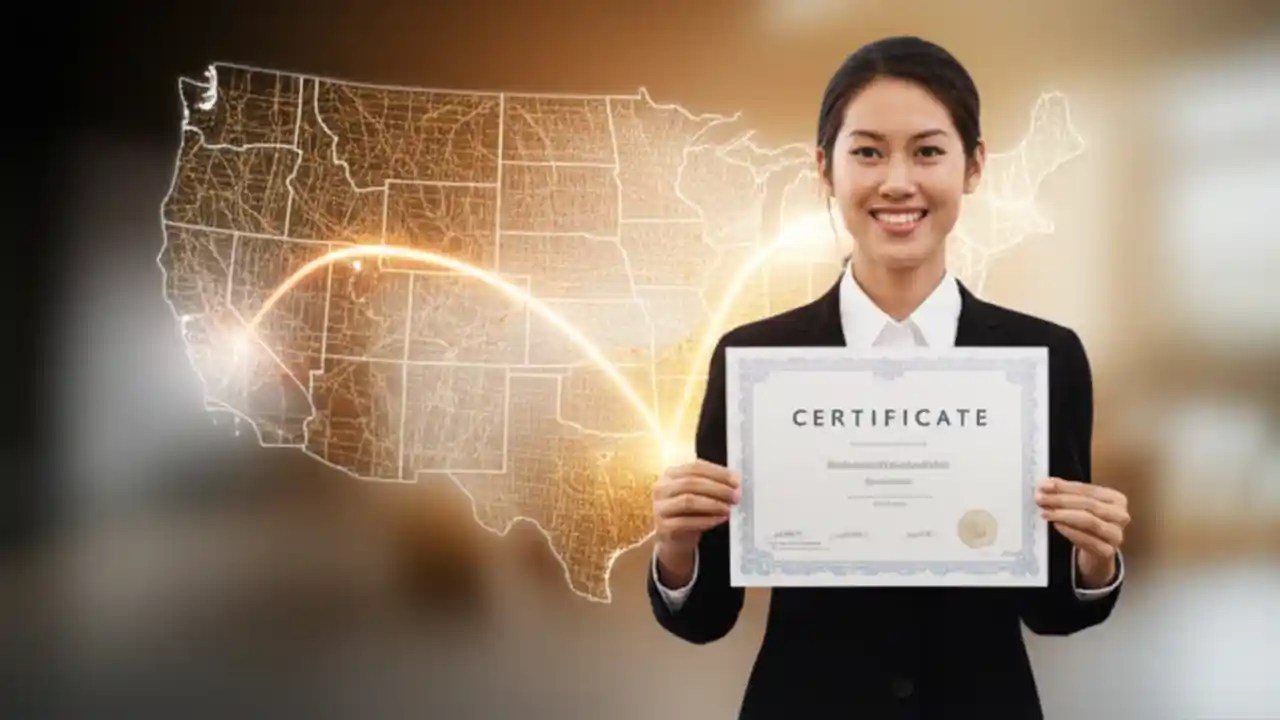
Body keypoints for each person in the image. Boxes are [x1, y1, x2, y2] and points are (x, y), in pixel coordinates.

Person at [647, 36, 1130, 719]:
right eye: (868, 151)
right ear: (825, 168)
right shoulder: (756, 361)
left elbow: (1053, 612)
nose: (898, 181)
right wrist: (676, 546)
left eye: (928, 150)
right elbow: (705, 617)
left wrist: (1093, 562)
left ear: (974, 166)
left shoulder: (1043, 357)